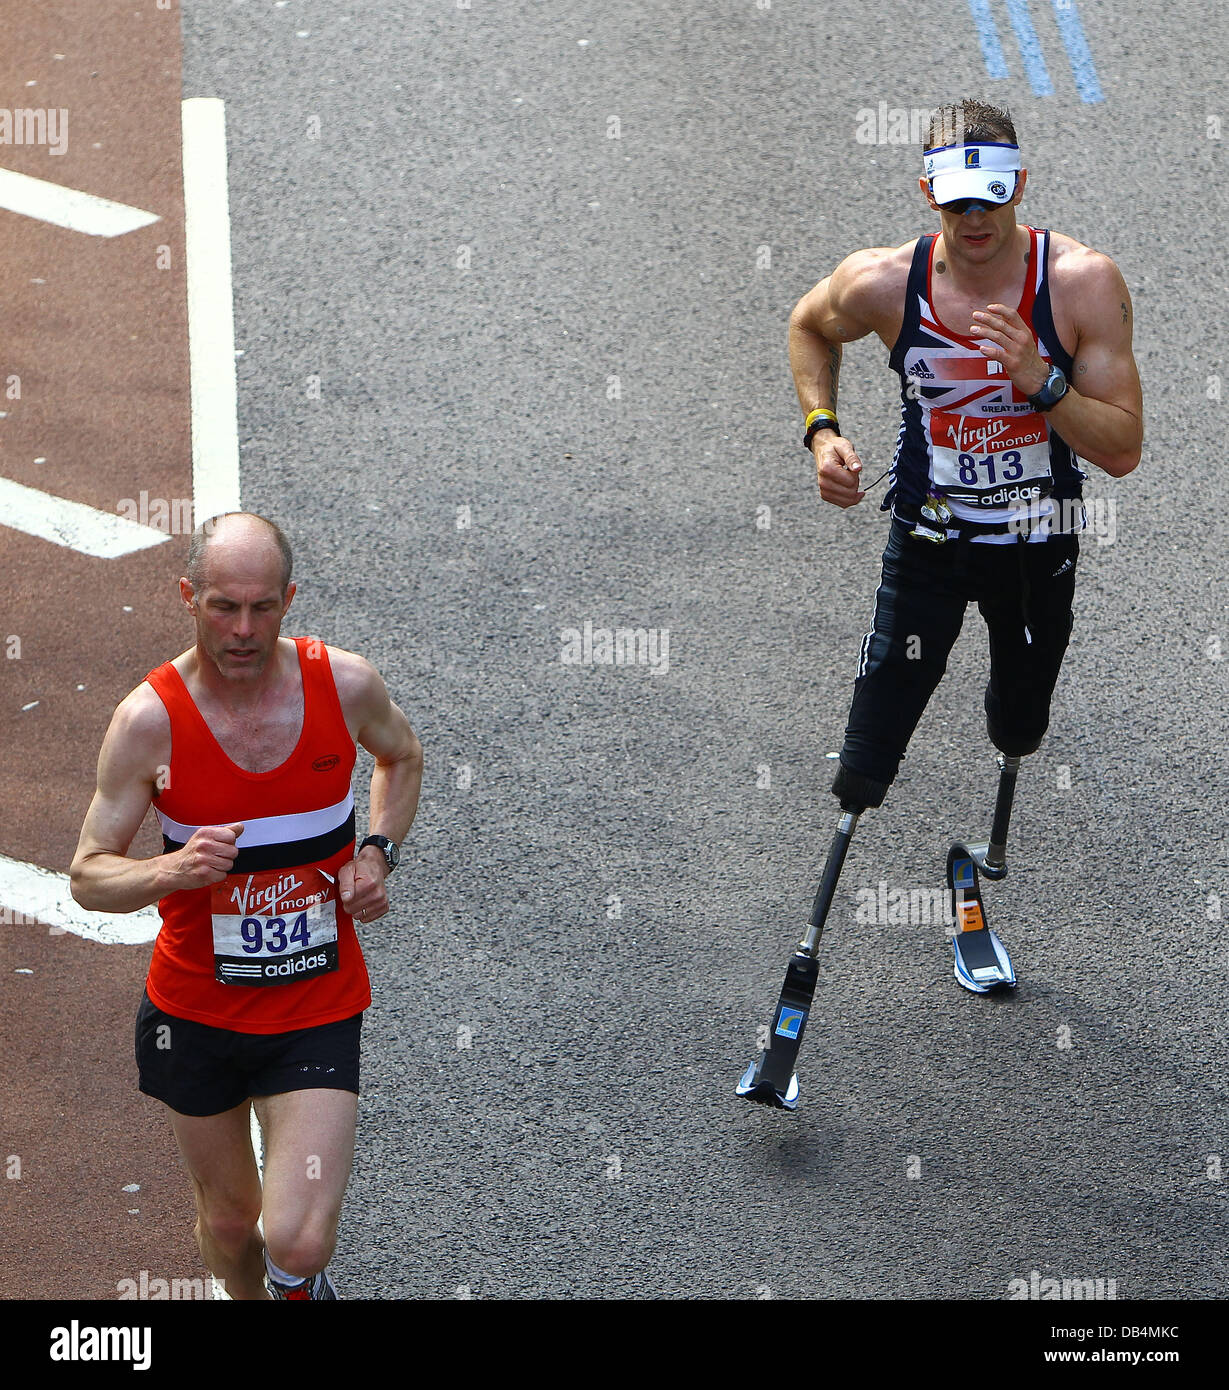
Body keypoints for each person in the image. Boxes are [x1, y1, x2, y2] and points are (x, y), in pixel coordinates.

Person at [70, 512, 423, 1300]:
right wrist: (172, 871)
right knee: (232, 1227)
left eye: (263, 608)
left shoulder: (345, 685)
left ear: (288, 600)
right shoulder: (148, 721)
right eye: (224, 607)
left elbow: (401, 756)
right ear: (187, 597)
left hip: (314, 1002)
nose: (243, 630)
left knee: (298, 1238)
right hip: (195, 1013)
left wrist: (377, 850)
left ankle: (298, 1284)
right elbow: (89, 875)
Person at [788, 97, 1142, 818]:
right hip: (928, 541)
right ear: (928, 194)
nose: (975, 218)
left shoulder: (1080, 283)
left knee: (1020, 723)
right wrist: (823, 432)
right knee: (865, 757)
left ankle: (1006, 774)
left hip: (1035, 547)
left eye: (992, 196)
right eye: (956, 201)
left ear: (1019, 186)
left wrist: (1041, 381)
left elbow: (1121, 449)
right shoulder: (883, 282)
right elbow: (807, 326)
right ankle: (840, 848)